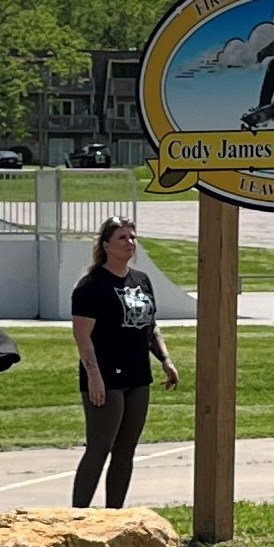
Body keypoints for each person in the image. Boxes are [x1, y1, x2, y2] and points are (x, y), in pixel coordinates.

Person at [71, 215, 179, 508]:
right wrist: (94, 375)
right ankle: (78, 516)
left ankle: (115, 515)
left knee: (126, 450)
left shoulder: (141, 280)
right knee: (100, 448)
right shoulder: (91, 285)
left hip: (137, 375)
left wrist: (165, 360)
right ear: (106, 245)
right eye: (122, 237)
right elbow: (82, 335)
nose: (129, 242)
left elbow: (150, 326)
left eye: (132, 237)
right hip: (106, 377)